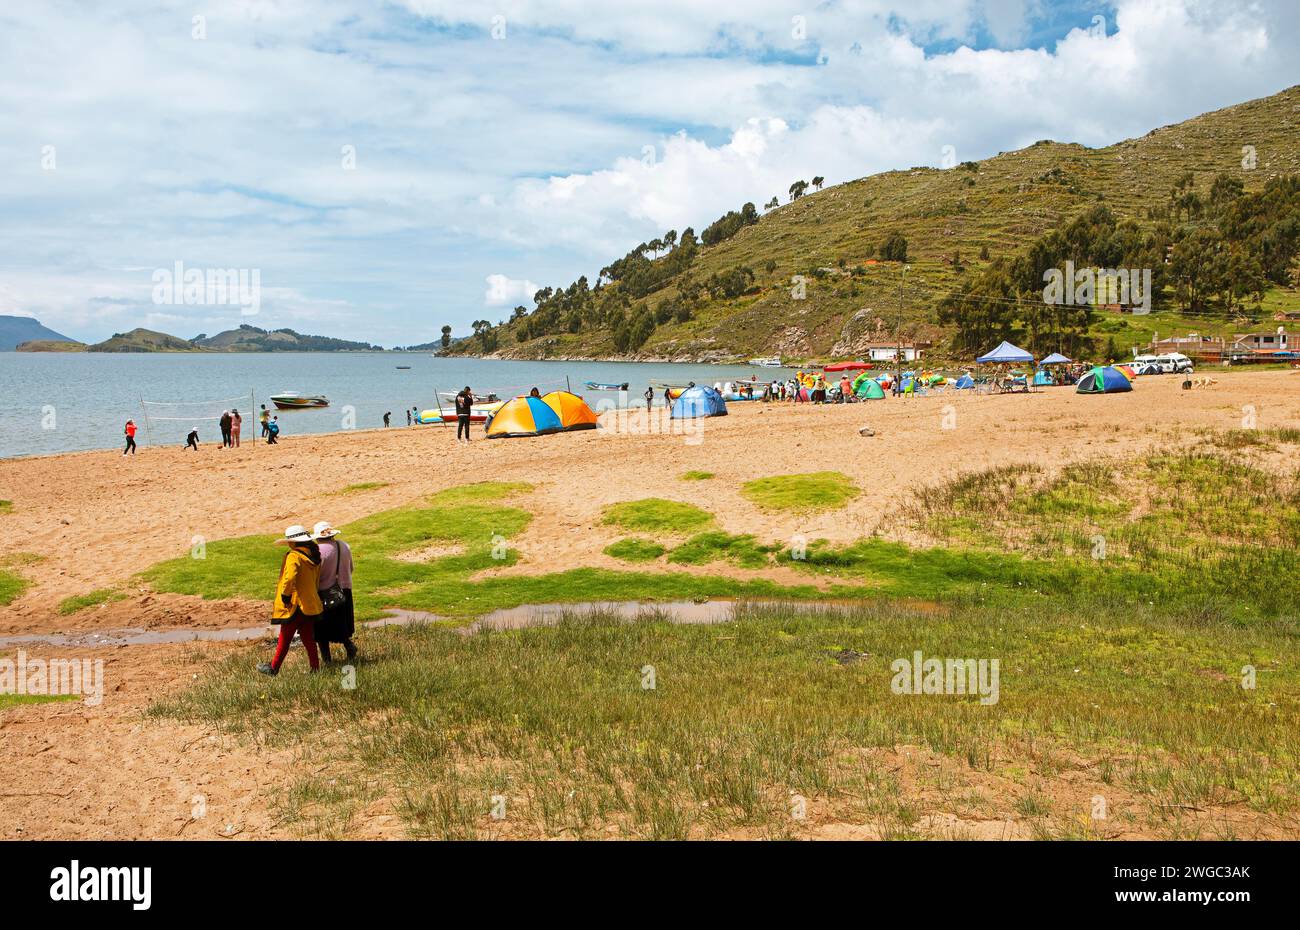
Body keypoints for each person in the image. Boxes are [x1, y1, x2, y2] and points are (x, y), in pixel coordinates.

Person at [258, 525, 323, 675]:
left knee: (285, 638)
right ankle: (315, 668)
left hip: (294, 605)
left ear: (294, 542)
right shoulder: (314, 555)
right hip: (309, 605)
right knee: (308, 639)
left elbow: (290, 577)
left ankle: (273, 668)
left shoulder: (294, 556)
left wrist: (285, 595)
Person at [312, 521, 356, 663]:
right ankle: (349, 646)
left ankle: (327, 660)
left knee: (321, 629)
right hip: (344, 590)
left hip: (324, 592)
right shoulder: (344, 545)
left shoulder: (318, 551)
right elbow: (351, 568)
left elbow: (316, 576)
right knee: (341, 624)